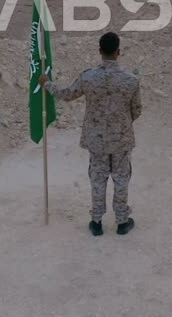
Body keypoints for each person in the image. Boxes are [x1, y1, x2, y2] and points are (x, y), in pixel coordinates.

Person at [38, 31, 142, 236]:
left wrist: (46, 84)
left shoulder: (88, 77)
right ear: (119, 52)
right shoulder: (131, 80)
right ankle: (122, 221)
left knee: (97, 178)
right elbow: (137, 109)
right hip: (121, 139)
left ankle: (96, 222)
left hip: (96, 140)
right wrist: (121, 124)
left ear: (100, 51)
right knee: (121, 178)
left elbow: (67, 94)